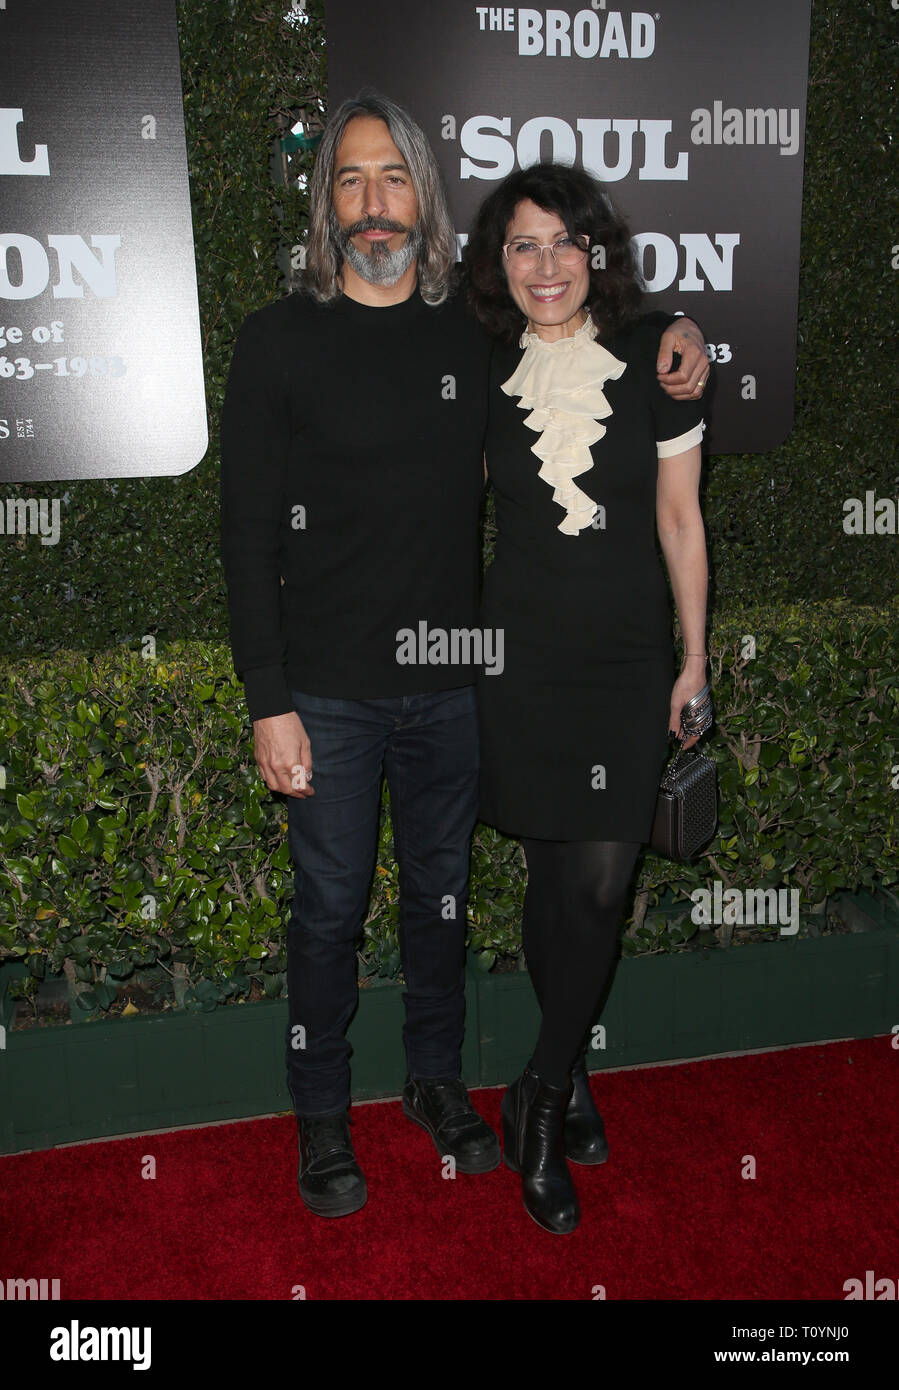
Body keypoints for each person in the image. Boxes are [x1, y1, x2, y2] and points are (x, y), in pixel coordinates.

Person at [219, 92, 709, 1220]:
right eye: (349, 180)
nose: (372, 201)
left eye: (392, 177)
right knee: (328, 910)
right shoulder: (275, 340)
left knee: (440, 899)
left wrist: (680, 332)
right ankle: (323, 1119)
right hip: (328, 694)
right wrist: (267, 698)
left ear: (423, 199)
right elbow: (245, 533)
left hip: (454, 682)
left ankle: (437, 1087)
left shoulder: (469, 338)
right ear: (324, 203)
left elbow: (594, 326)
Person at [463, 161, 711, 1234]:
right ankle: (563, 1056)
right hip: (517, 664)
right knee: (549, 868)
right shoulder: (472, 368)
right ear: (499, 263)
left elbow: (677, 520)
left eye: (564, 241)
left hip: (621, 662)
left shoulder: (655, 352)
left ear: (595, 252)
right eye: (522, 244)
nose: (545, 264)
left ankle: (539, 1091)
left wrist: (692, 658)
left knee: (602, 883)